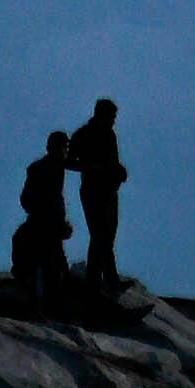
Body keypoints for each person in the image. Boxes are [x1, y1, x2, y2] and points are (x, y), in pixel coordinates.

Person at [67, 96, 127, 295]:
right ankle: (109, 282)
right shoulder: (83, 135)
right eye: (111, 116)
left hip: (109, 192)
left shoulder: (110, 136)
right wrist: (90, 167)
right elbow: (68, 161)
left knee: (105, 238)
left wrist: (119, 171)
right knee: (100, 236)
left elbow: (113, 162)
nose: (113, 120)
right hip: (92, 192)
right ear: (101, 115)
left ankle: (95, 280)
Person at [12, 132, 70, 304]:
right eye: (60, 147)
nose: (63, 151)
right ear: (50, 148)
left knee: (56, 268)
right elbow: (27, 199)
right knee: (43, 265)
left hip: (51, 227)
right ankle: (39, 300)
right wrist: (47, 218)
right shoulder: (40, 169)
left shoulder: (57, 167)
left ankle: (52, 299)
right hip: (42, 227)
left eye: (64, 147)